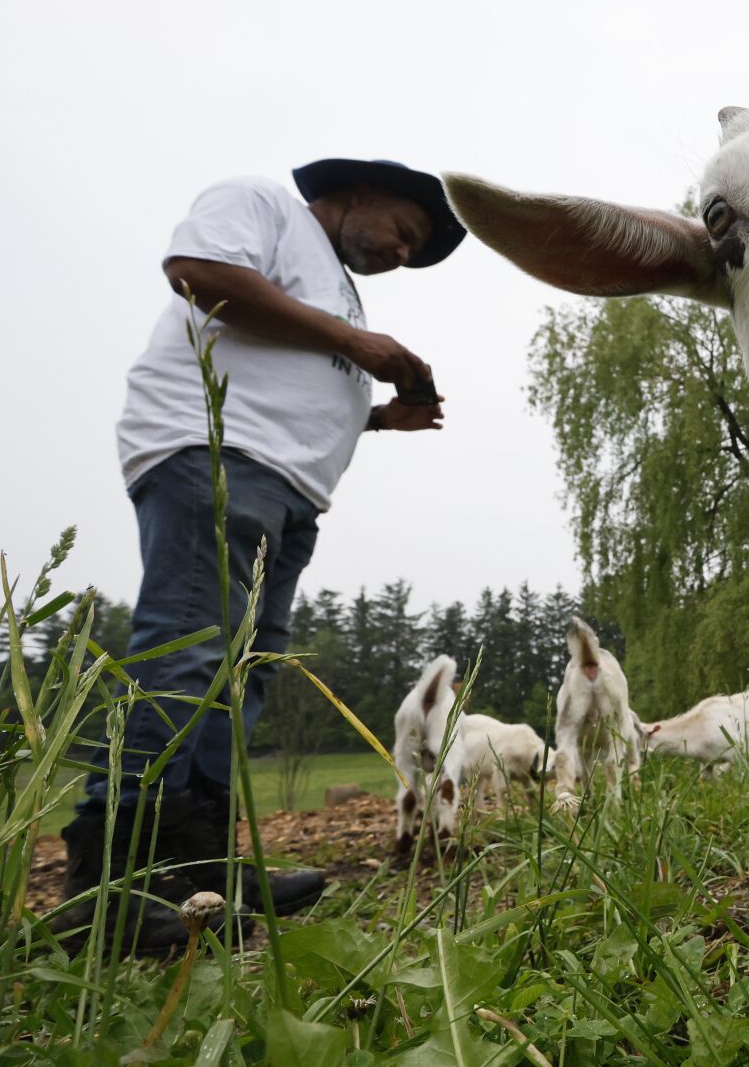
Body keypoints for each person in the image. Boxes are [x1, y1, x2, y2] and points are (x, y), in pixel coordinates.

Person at [60, 159, 466, 952]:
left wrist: (378, 417)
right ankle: (110, 883)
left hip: (288, 488)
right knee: (189, 653)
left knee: (241, 673)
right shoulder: (263, 205)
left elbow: (290, 379)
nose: (403, 254)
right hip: (213, 455)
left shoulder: (337, 288)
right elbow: (198, 273)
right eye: (404, 232)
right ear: (360, 191)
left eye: (413, 251)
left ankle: (199, 868)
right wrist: (356, 341)